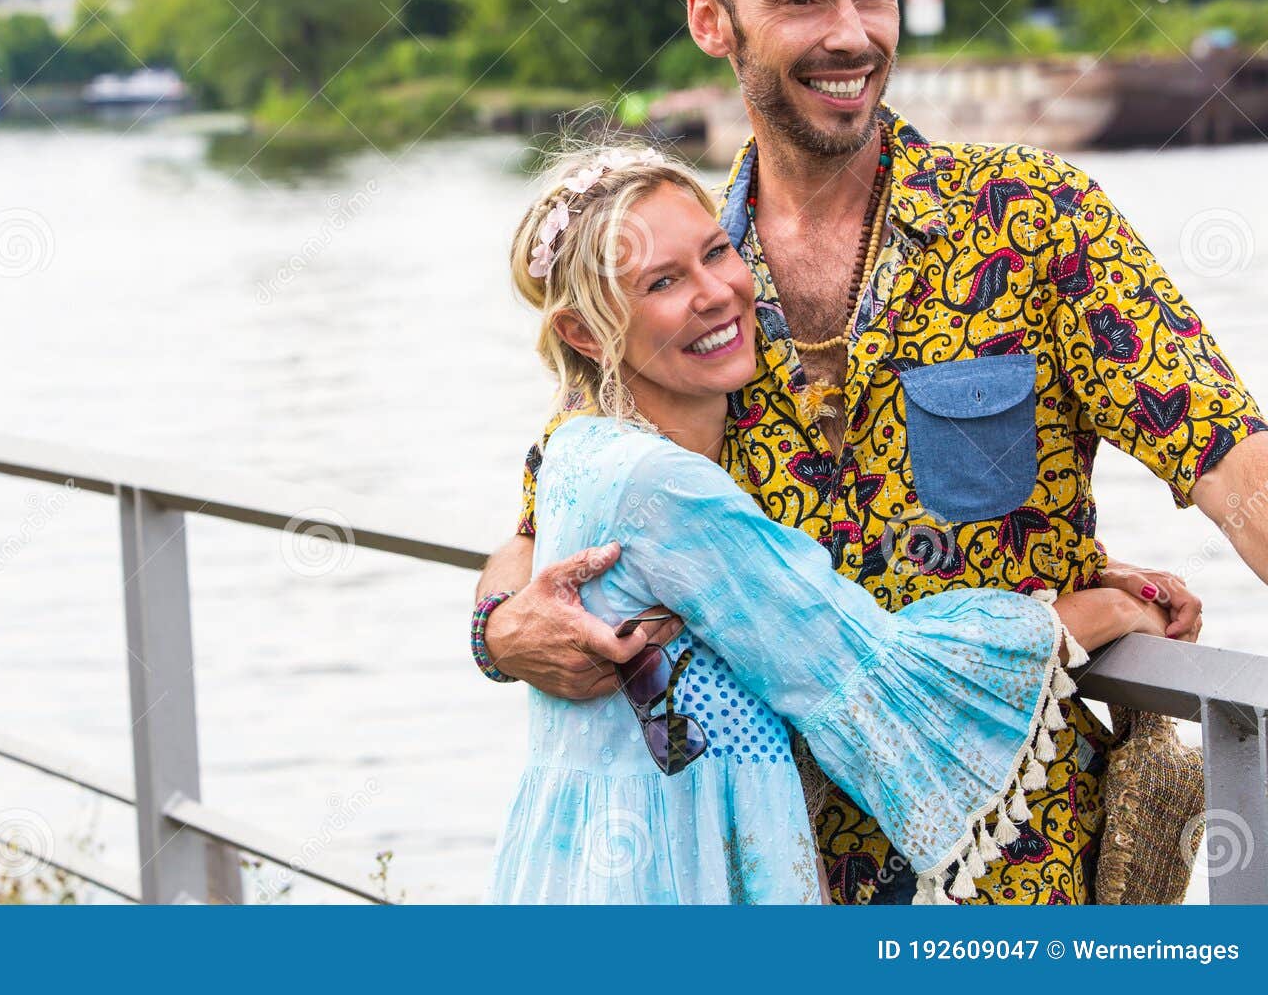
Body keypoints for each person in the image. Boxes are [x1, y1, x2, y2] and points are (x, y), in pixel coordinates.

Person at [474, 0, 1268, 905]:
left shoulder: (1033, 222)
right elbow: (549, 524)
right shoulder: (672, 288)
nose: (851, 33)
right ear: (713, 20)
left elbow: (1226, 453)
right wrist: (497, 630)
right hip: (771, 884)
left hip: (1013, 880)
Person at [481, 145, 1169, 904]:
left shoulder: (581, 449)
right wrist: (1098, 612)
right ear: (584, 332)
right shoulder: (669, 485)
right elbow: (872, 675)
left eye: (717, 252)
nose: (715, 293)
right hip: (676, 875)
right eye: (664, 282)